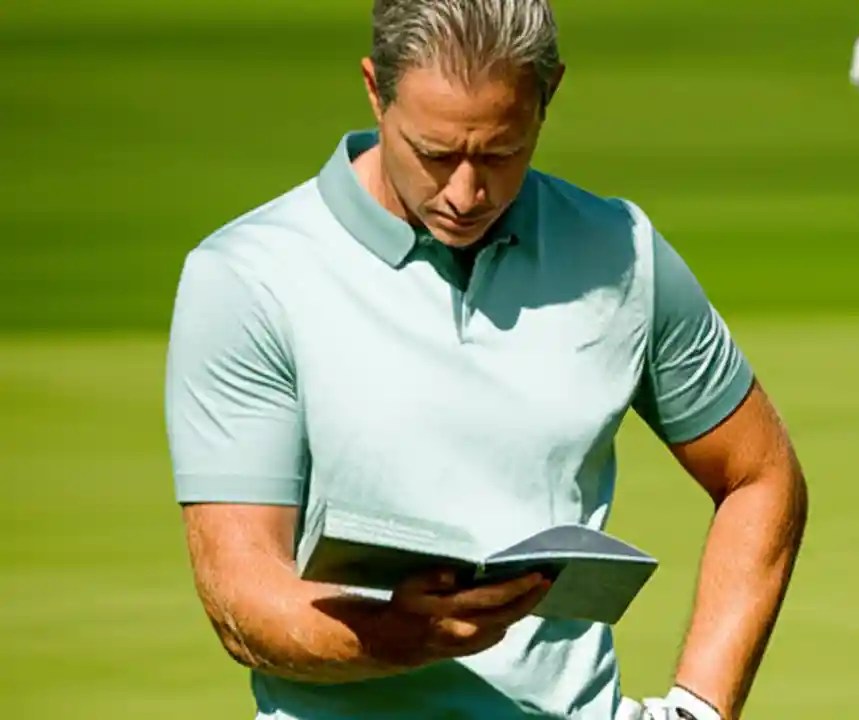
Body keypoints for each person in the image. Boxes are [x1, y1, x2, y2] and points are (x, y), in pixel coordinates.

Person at [163, 1, 808, 718]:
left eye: (501, 154)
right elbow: (240, 596)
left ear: (548, 94)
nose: (466, 194)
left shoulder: (621, 252)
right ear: (375, 90)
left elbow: (760, 474)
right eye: (435, 154)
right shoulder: (248, 277)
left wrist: (699, 708)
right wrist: (398, 637)